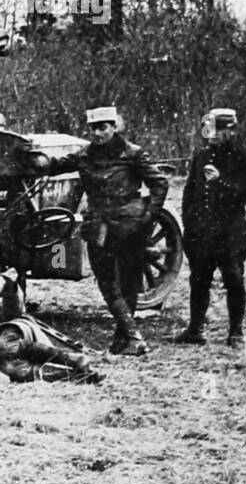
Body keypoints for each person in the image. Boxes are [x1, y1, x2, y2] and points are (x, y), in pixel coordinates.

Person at [23, 106, 169, 356]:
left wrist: (147, 216)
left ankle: (127, 338)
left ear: (114, 127)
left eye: (103, 128)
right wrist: (36, 161)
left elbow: (159, 183)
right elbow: (56, 165)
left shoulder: (133, 154)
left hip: (128, 225)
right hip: (99, 225)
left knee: (129, 282)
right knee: (106, 282)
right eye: (93, 129)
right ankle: (132, 336)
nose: (98, 133)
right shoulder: (84, 155)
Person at [176, 108, 246, 348]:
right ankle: (195, 329)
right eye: (208, 129)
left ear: (230, 131)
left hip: (229, 233)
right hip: (201, 233)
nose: (211, 134)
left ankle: (236, 333)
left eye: (217, 130)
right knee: (198, 279)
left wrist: (220, 180)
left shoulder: (243, 159)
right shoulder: (201, 156)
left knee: (233, 279)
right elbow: (190, 193)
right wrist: (189, 223)